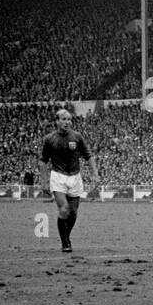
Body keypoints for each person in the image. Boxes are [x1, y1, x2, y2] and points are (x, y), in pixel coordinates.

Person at [39, 107, 99, 253]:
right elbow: (43, 161)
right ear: (57, 121)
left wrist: (95, 174)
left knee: (73, 212)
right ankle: (65, 242)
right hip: (58, 176)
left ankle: (66, 237)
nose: (67, 122)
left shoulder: (77, 137)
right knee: (64, 209)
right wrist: (44, 181)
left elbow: (88, 156)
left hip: (75, 177)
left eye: (69, 119)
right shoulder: (49, 139)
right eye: (64, 119)